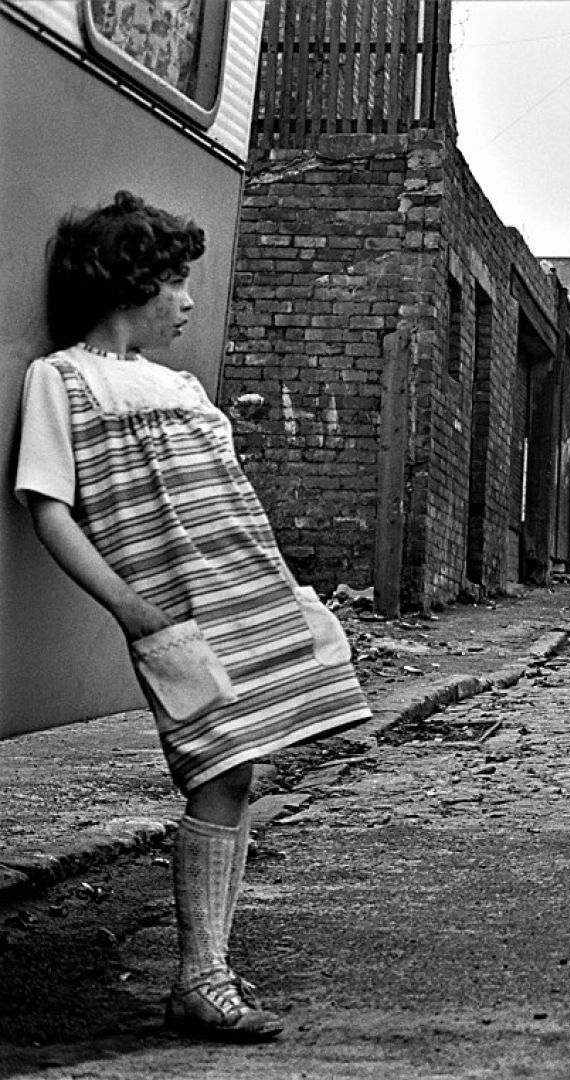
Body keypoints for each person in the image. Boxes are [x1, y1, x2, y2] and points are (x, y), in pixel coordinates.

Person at [15, 192, 372, 1041]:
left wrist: (285, 592)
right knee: (214, 768)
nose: (186, 301)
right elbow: (49, 507)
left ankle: (208, 966)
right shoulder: (62, 379)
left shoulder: (181, 385)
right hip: (171, 611)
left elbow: (229, 504)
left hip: (244, 595)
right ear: (126, 286)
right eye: (174, 283)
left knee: (241, 771)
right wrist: (132, 611)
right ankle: (200, 975)